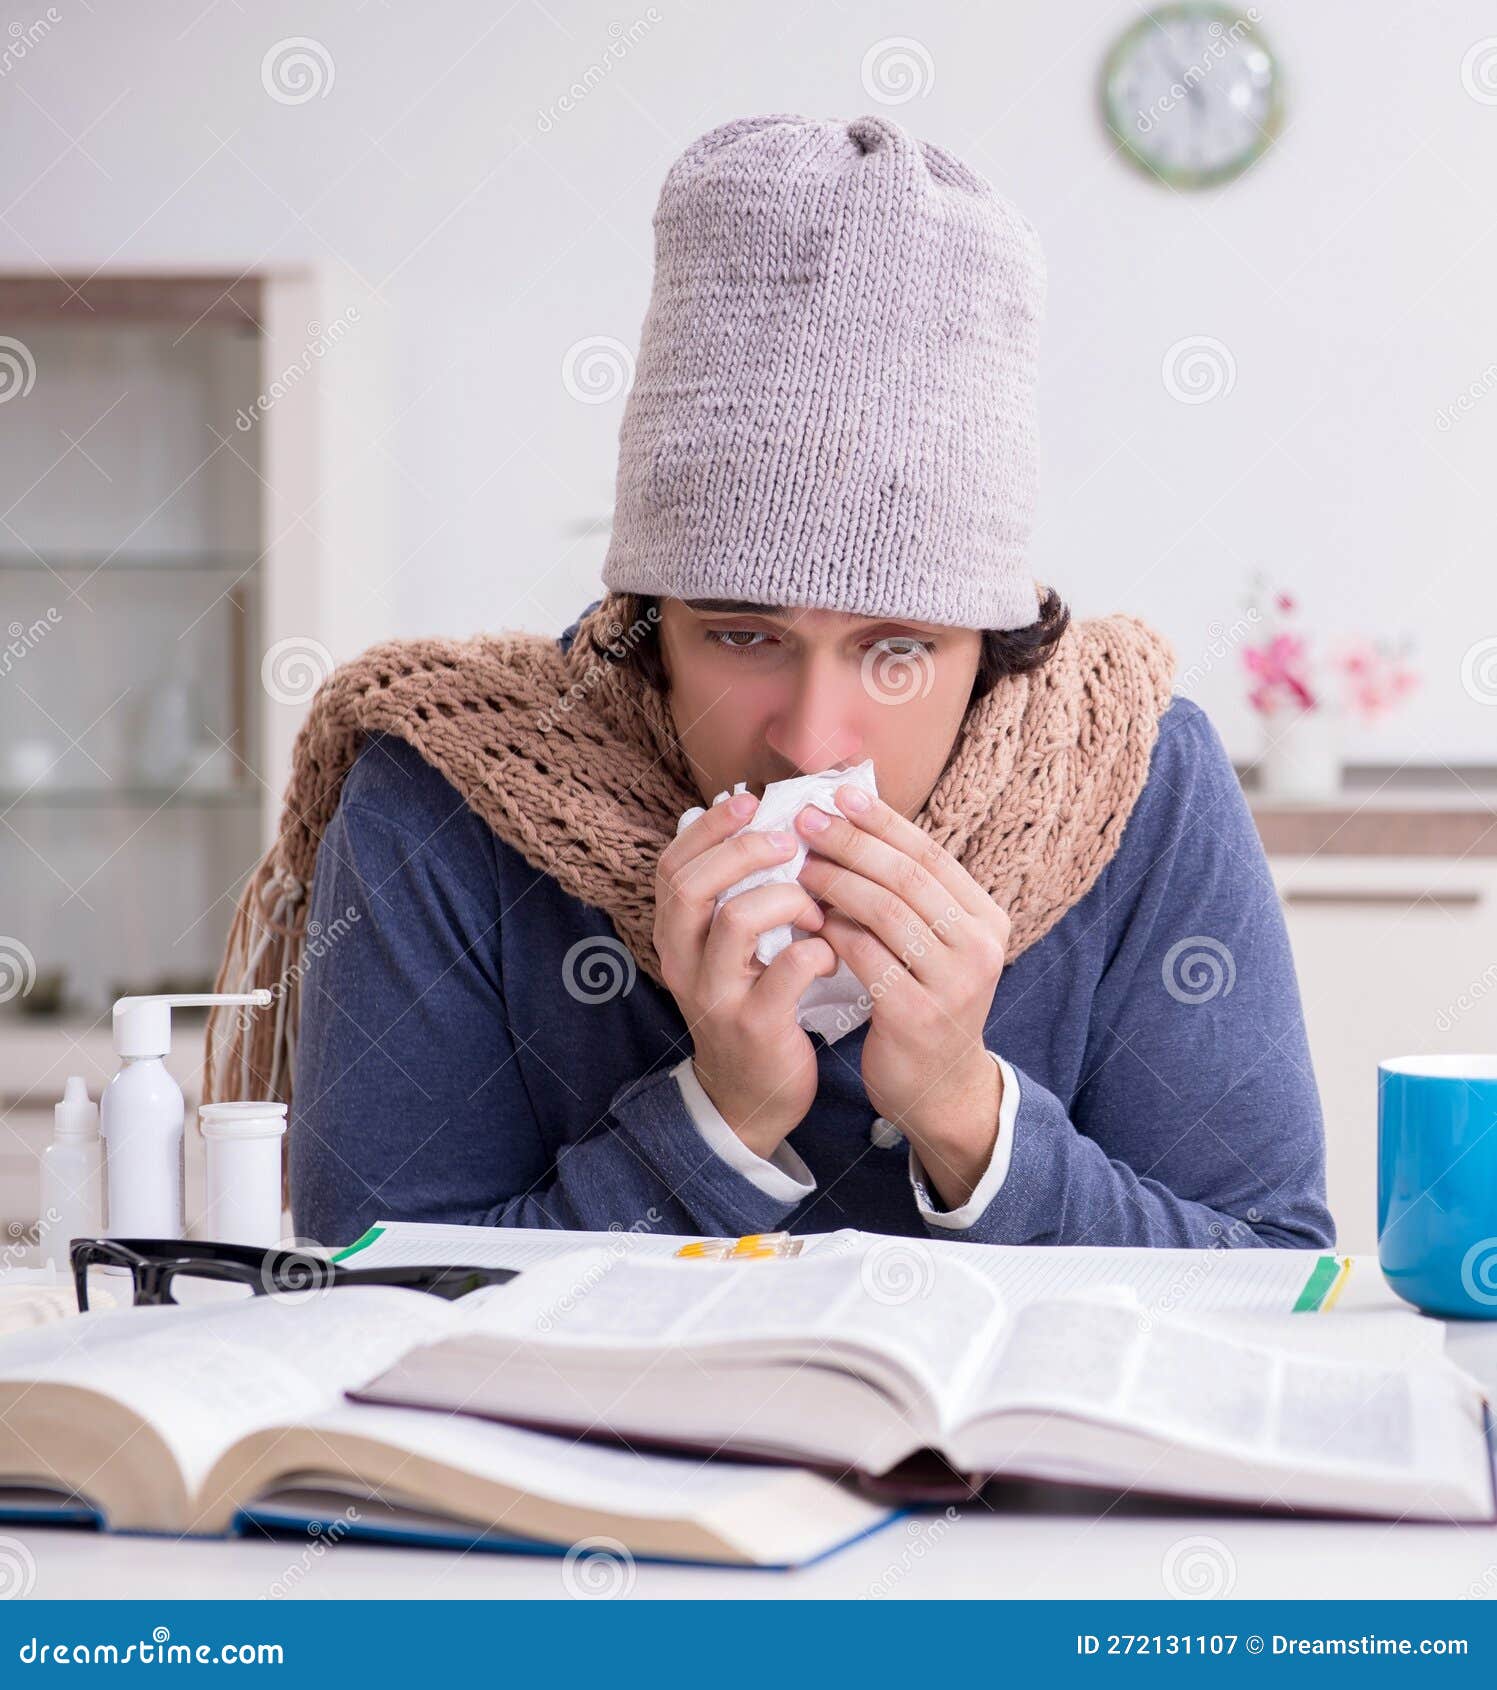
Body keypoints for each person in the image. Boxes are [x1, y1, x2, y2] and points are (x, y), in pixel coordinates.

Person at [207, 113, 1334, 1252]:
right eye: (743, 636)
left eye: (898, 648)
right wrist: (718, 1122)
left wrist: (962, 1109)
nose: (812, 739)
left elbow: (1267, 1266)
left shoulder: (1136, 775)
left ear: (990, 643)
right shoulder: (447, 794)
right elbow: (367, 1289)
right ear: (649, 623)